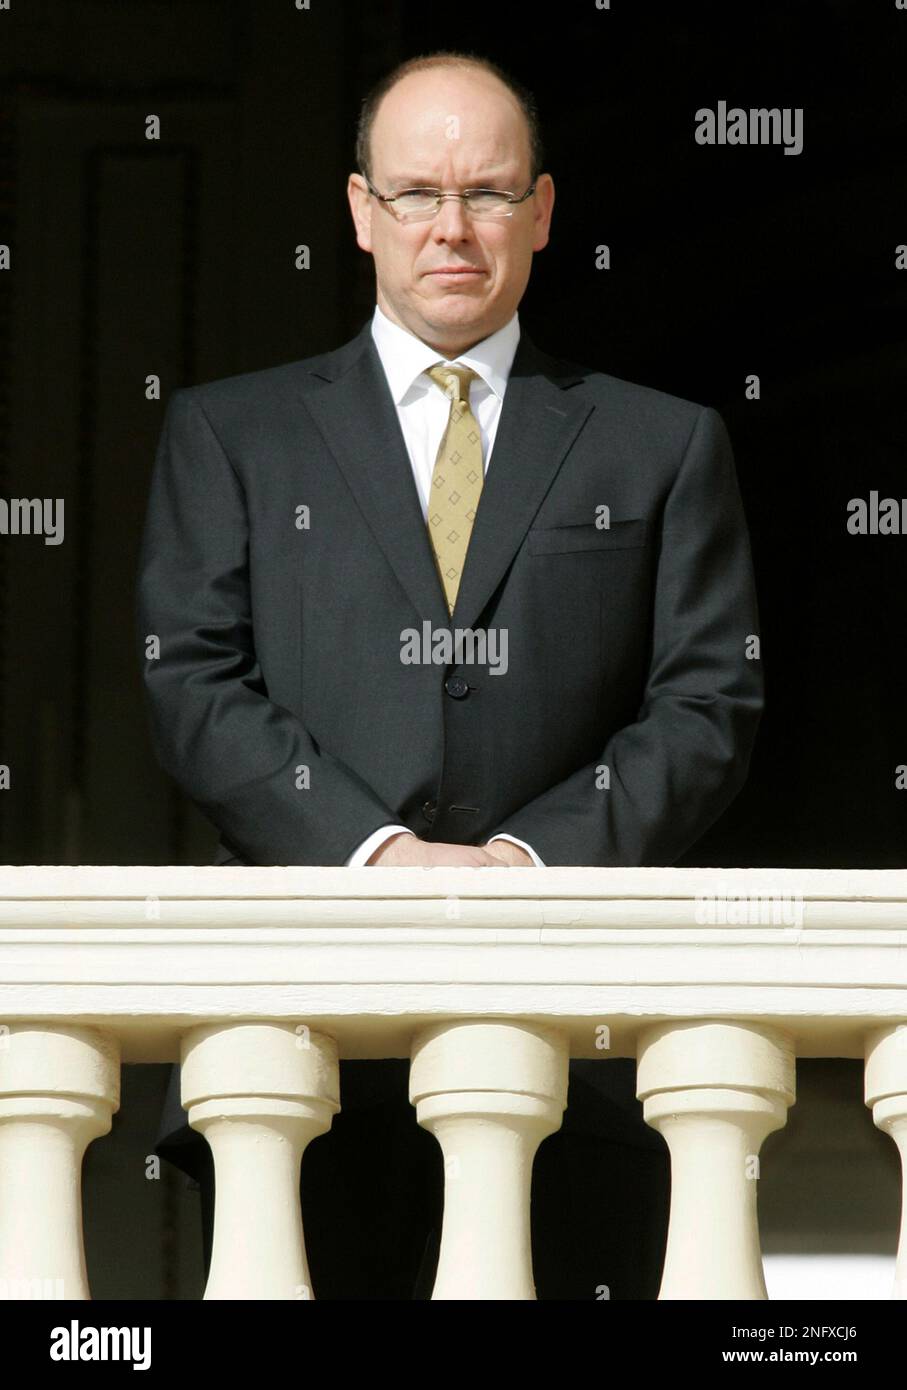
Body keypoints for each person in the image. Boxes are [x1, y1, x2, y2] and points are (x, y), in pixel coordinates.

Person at [136, 50, 763, 1298]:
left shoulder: (663, 442)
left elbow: (707, 704)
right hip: (296, 1042)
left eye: (486, 191)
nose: (453, 227)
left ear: (541, 212)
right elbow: (192, 686)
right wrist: (379, 854)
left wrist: (527, 862)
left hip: (582, 1051)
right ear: (360, 212)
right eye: (417, 192)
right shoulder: (231, 435)